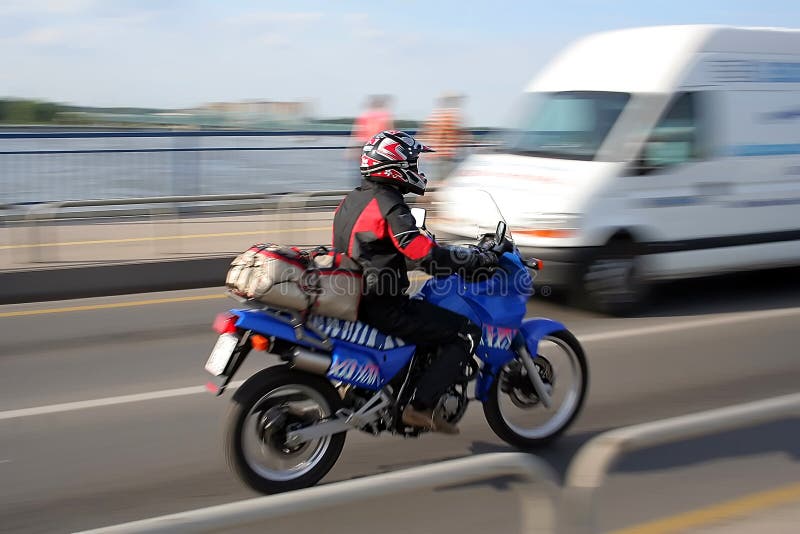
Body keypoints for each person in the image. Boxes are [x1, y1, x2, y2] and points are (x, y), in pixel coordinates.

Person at [333, 130, 497, 434]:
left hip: (353, 297)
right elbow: (424, 255)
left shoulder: (352, 199)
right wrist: (473, 260)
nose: (417, 170)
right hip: (383, 304)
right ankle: (420, 407)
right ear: (394, 166)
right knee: (465, 333)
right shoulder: (391, 205)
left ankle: (401, 387)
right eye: (412, 162)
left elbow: (371, 248)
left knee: (427, 324)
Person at [418, 93, 470, 185]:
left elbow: (422, 134)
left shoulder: (433, 116)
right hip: (446, 156)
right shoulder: (451, 116)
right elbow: (453, 137)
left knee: (434, 182)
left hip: (433, 155)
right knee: (447, 183)